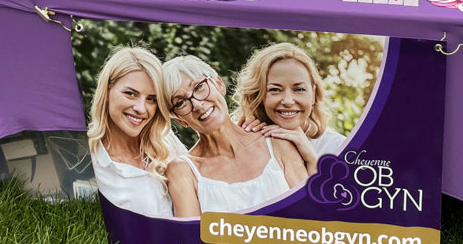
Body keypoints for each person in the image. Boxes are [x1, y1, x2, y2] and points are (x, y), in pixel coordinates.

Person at [162, 55, 308, 217]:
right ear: (179, 120)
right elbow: (190, 239)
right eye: (180, 102)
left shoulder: (277, 143)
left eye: (198, 87)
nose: (197, 104)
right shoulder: (183, 171)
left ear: (219, 85)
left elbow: (313, 217)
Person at [87, 47, 187, 217]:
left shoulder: (166, 142)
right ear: (107, 90)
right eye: (130, 94)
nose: (141, 109)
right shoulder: (90, 161)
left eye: (151, 99)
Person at [233, 42, 346, 175]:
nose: (288, 101)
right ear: (259, 95)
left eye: (299, 89)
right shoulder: (244, 139)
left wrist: (312, 161)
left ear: (313, 93)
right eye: (275, 90)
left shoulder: (339, 149)